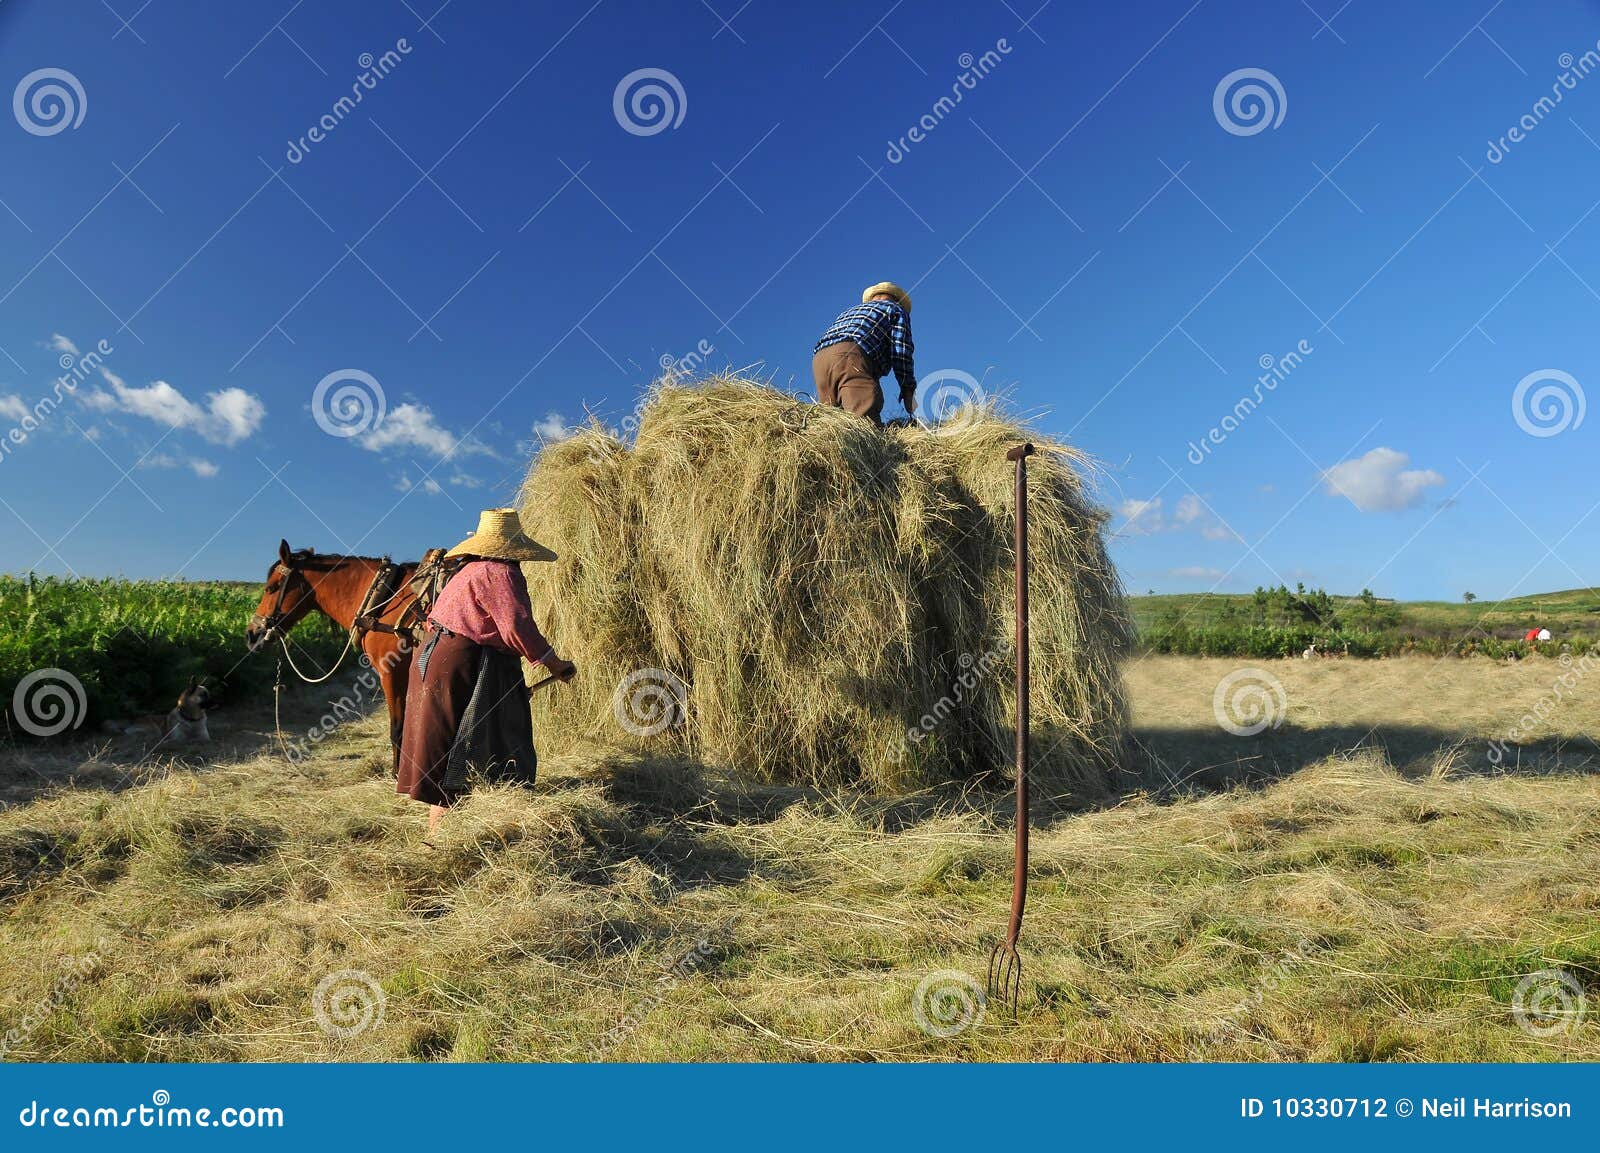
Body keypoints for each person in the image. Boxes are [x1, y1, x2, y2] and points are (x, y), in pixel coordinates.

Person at [397, 508, 576, 834]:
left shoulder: (468, 570)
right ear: (514, 548)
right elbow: (517, 627)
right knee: (460, 752)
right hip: (458, 664)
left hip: (432, 656)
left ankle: (438, 836)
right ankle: (440, 841)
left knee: (448, 748)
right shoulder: (501, 572)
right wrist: (556, 663)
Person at [812, 281, 916, 424]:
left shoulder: (849, 311)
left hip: (820, 360)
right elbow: (901, 352)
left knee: (832, 424)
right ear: (897, 300)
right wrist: (907, 389)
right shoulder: (895, 309)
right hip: (851, 357)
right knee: (865, 423)